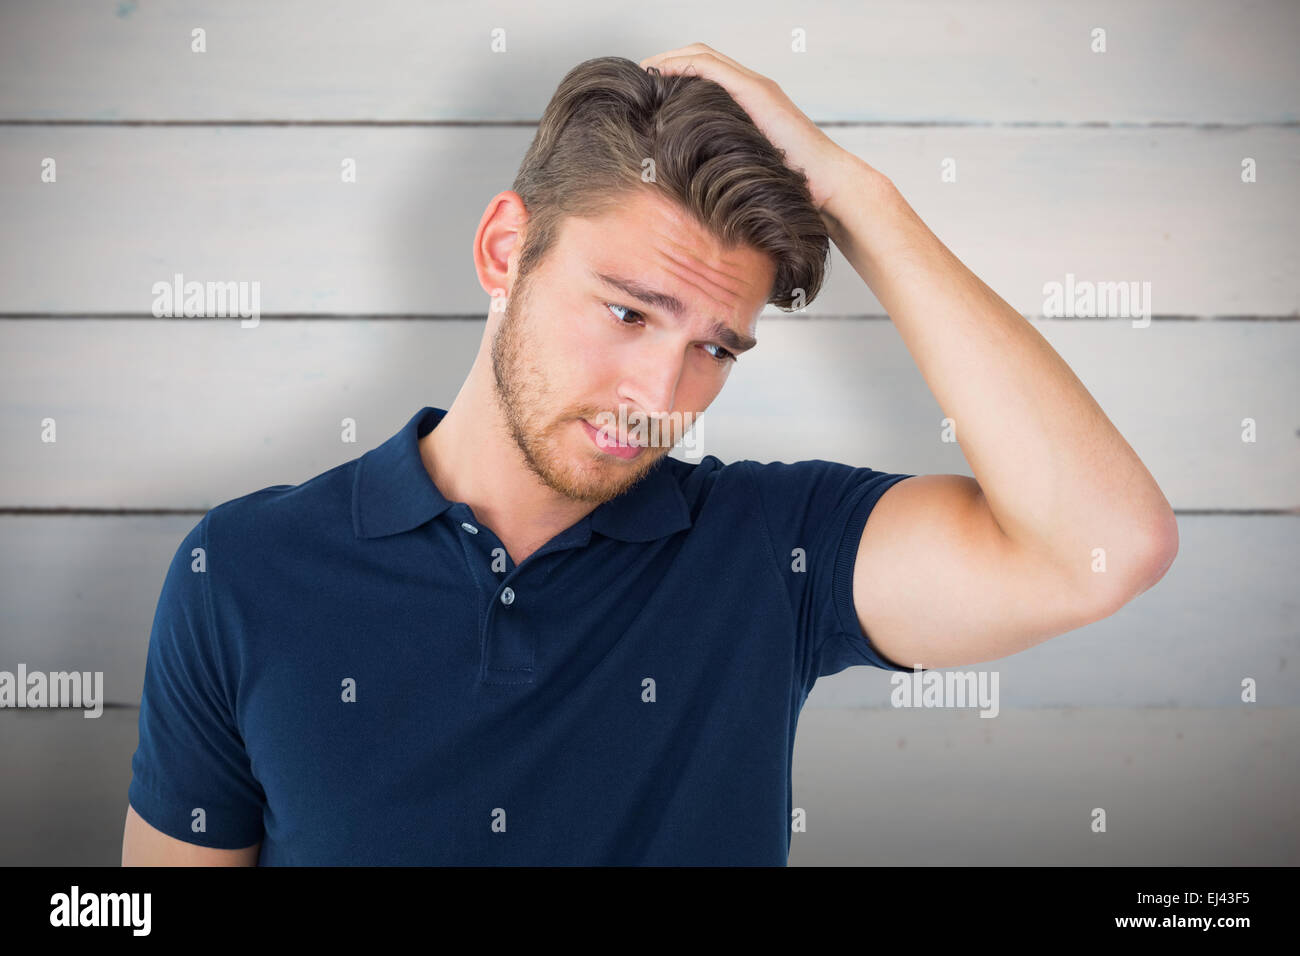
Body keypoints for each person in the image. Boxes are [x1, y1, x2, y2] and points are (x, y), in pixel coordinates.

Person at [122, 47, 1177, 866]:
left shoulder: (772, 550)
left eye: (713, 347)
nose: (658, 398)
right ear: (504, 249)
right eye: (628, 311)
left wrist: (858, 195)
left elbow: (1104, 545)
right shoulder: (246, 569)